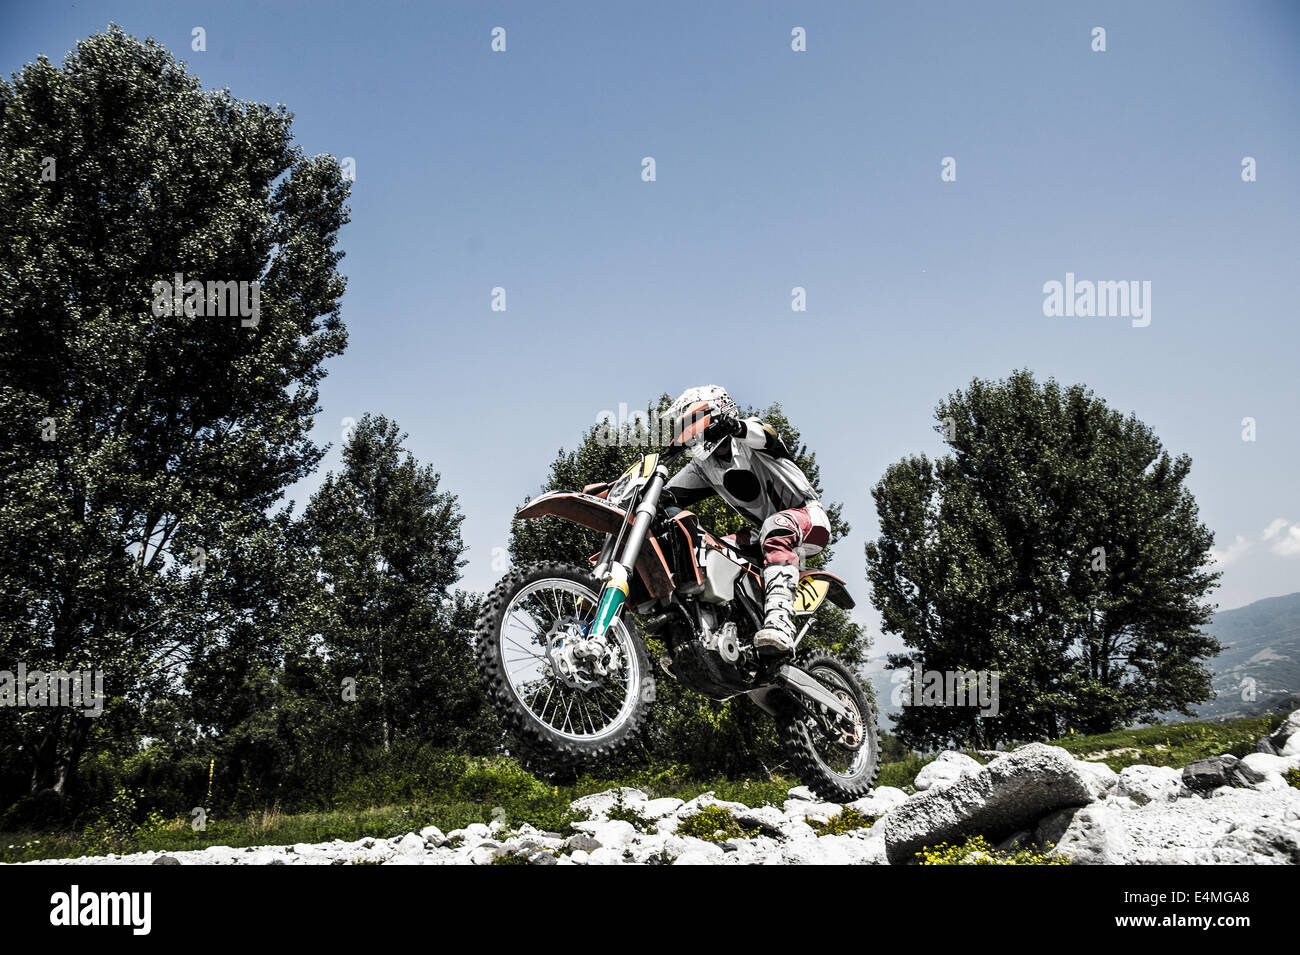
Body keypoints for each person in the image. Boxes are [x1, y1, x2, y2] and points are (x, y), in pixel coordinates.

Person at [659, 385, 830, 654]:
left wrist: (734, 426)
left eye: (693, 422)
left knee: (776, 526)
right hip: (758, 533)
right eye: (685, 426)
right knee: (708, 550)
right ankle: (707, 637)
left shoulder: (749, 435)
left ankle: (780, 623)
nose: (690, 431)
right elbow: (665, 495)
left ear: (717, 413)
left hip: (808, 518)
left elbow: (766, 435)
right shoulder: (704, 465)